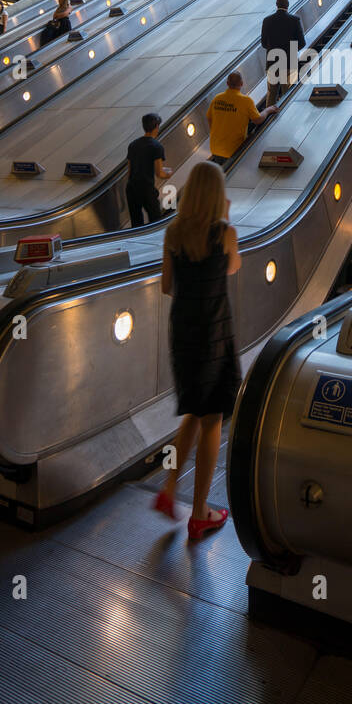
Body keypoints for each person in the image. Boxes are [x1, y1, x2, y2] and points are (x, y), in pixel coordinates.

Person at [153, 161, 241, 538]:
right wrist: (226, 217)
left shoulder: (173, 233)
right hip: (214, 334)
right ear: (217, 195)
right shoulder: (225, 233)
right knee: (212, 421)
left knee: (194, 409)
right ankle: (201, 512)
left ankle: (170, 491)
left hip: (184, 333)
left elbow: (166, 287)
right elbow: (233, 268)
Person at [206, 72, 276, 164]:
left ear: (227, 83)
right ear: (242, 84)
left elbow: (209, 118)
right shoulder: (246, 101)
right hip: (233, 148)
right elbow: (258, 120)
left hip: (215, 147)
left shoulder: (217, 98)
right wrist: (267, 110)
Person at [125, 113, 172, 227]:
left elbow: (130, 171)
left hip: (131, 189)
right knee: (156, 221)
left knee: (136, 223)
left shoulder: (133, 144)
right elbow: (159, 173)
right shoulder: (156, 146)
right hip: (146, 189)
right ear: (156, 126)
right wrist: (168, 174)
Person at [260, 0, 305, 107]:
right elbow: (302, 43)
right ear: (288, 5)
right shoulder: (295, 20)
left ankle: (268, 122)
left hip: (272, 64)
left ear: (276, 4)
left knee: (271, 96)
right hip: (290, 64)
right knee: (289, 95)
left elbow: (264, 43)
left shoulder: (267, 21)